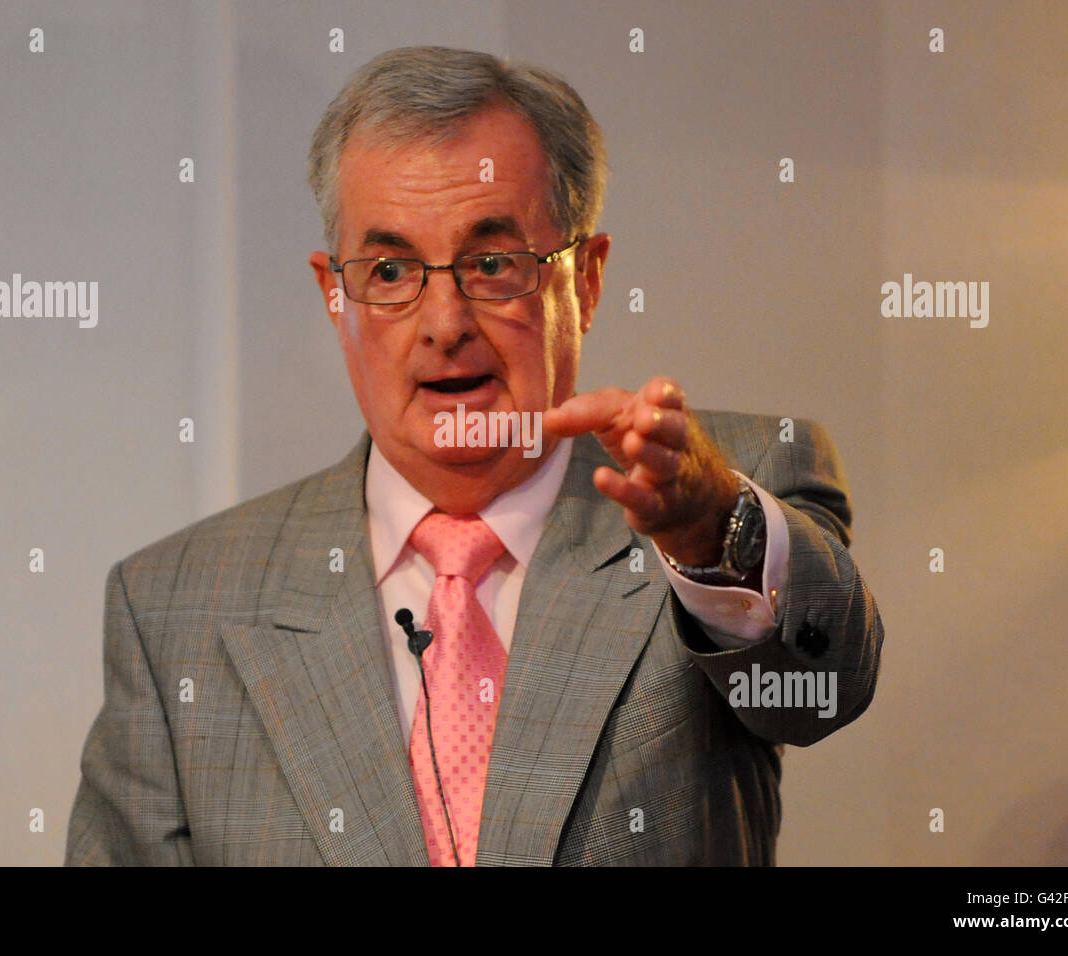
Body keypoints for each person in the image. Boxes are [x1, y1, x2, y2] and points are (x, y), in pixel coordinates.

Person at [65, 45, 883, 866]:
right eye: (390, 270)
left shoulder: (723, 497)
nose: (444, 321)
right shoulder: (175, 610)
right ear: (335, 296)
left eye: (492, 264)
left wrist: (712, 532)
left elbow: (826, 692)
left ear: (587, 280)